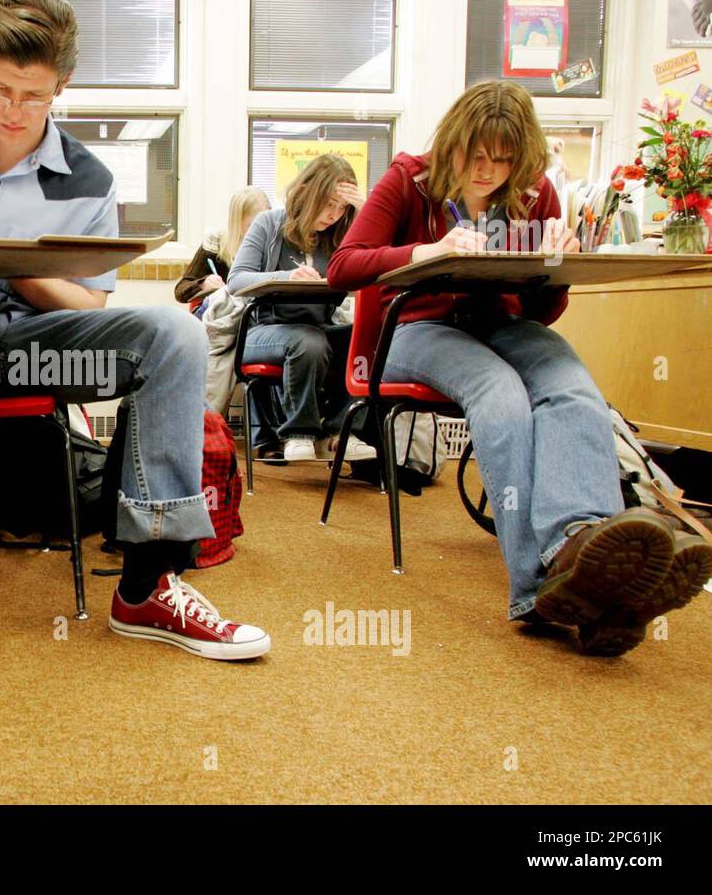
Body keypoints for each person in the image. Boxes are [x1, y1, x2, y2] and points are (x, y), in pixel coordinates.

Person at [0, 0, 270, 685]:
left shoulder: (89, 174)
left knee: (175, 334)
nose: (13, 111)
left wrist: (11, 267)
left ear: (62, 87)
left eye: (33, 96)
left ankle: (146, 584)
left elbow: (87, 298)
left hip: (38, 346)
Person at [327, 80, 710, 656]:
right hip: (415, 330)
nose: (488, 171)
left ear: (522, 155)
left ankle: (583, 554)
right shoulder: (410, 178)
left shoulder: (535, 192)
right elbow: (342, 267)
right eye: (476, 156)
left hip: (502, 323)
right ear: (453, 142)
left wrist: (552, 265)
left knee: (574, 390)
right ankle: (537, 583)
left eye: (503, 160)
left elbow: (543, 312)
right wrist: (422, 253)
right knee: (502, 397)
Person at [226, 156, 375, 463]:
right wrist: (286, 276)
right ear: (306, 191)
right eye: (328, 203)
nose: (333, 215)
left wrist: (365, 210)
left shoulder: (340, 236)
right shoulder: (269, 224)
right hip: (263, 333)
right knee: (308, 340)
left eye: (342, 208)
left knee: (367, 339)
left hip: (318, 329)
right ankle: (299, 432)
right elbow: (236, 280)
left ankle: (341, 433)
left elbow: (373, 264)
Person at [174, 187, 269, 317]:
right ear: (236, 223)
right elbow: (181, 291)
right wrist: (204, 284)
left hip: (261, 318)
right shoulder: (217, 242)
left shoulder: (275, 246)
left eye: (265, 225)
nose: (260, 232)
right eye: (251, 226)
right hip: (226, 322)